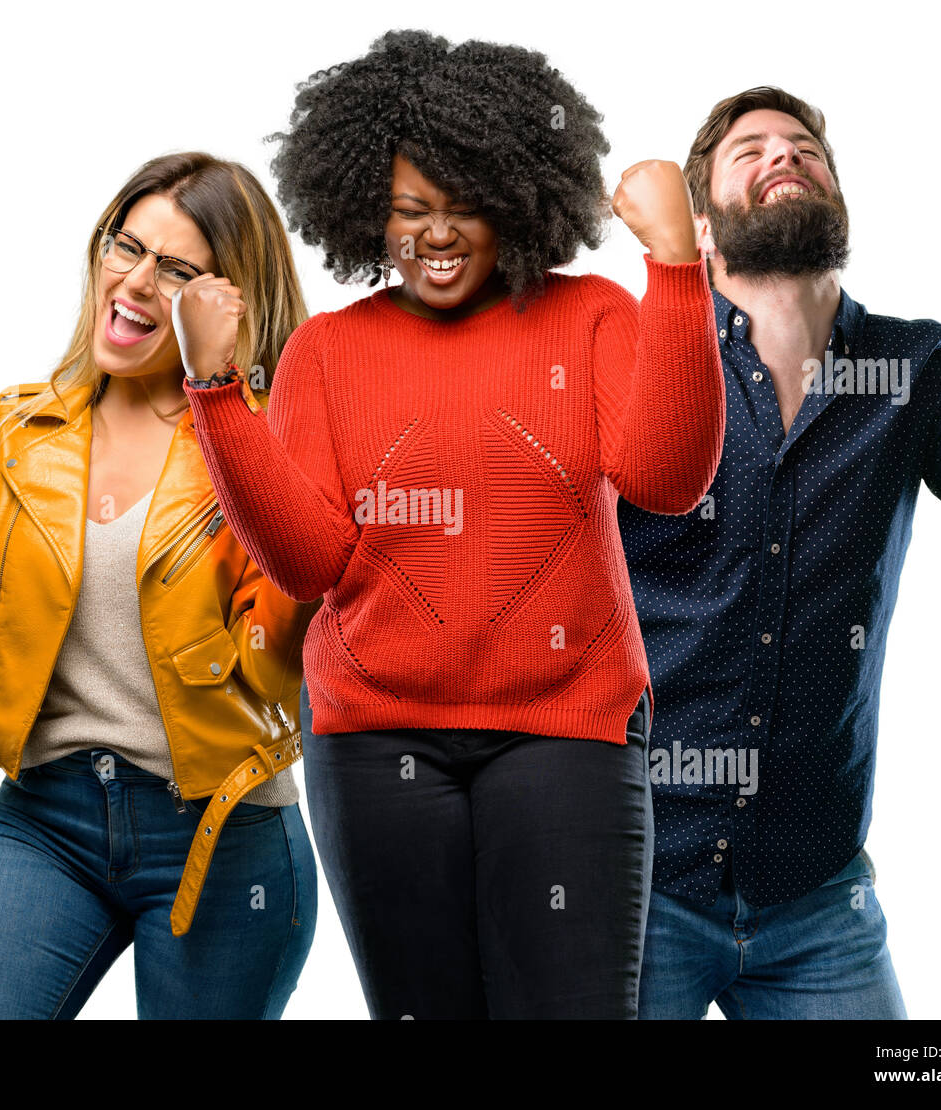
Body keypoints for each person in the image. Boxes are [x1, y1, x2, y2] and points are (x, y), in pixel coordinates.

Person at [177, 29, 726, 1019]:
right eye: (407, 210)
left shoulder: (592, 317)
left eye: (463, 206)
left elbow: (669, 477)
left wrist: (676, 268)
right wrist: (216, 393)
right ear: (362, 214)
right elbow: (308, 563)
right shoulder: (327, 351)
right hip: (375, 737)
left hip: (567, 727)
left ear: (517, 200)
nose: (436, 234)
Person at [617, 86, 941, 1019]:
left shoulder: (913, 370)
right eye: (751, 151)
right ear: (699, 229)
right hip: (638, 885)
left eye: (804, 147)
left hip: (819, 900)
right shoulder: (634, 365)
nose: (784, 156)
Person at [0, 152, 320, 1019]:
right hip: (45, 817)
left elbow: (274, 677)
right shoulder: (27, 432)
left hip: (223, 833)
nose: (138, 282)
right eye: (127, 247)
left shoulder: (264, 445)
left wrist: (223, 393)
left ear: (230, 301)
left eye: (179, 269)